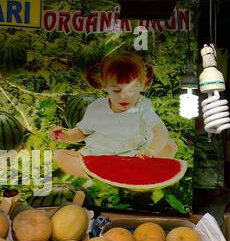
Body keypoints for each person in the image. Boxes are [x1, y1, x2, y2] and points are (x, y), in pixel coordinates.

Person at [51, 51, 176, 179]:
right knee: (60, 156)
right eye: (117, 90)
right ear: (104, 86)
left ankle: (131, 174)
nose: (124, 96)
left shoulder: (142, 106)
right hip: (100, 156)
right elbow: (82, 132)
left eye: (131, 90)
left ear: (142, 85)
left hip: (134, 156)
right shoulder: (96, 108)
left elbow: (160, 130)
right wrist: (65, 135)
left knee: (169, 146)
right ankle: (99, 174)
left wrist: (152, 150)